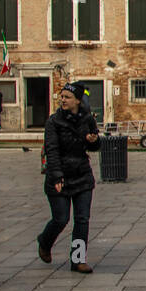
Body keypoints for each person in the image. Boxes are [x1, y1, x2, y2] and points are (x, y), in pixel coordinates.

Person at [36, 82, 99, 274]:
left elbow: (95, 144)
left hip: (82, 175)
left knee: (82, 219)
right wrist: (56, 176)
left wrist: (93, 140)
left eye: (67, 97)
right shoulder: (53, 122)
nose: (63, 100)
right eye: (62, 97)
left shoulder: (87, 119)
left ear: (78, 100)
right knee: (61, 219)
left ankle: (78, 259)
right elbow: (52, 150)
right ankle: (45, 242)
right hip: (59, 176)